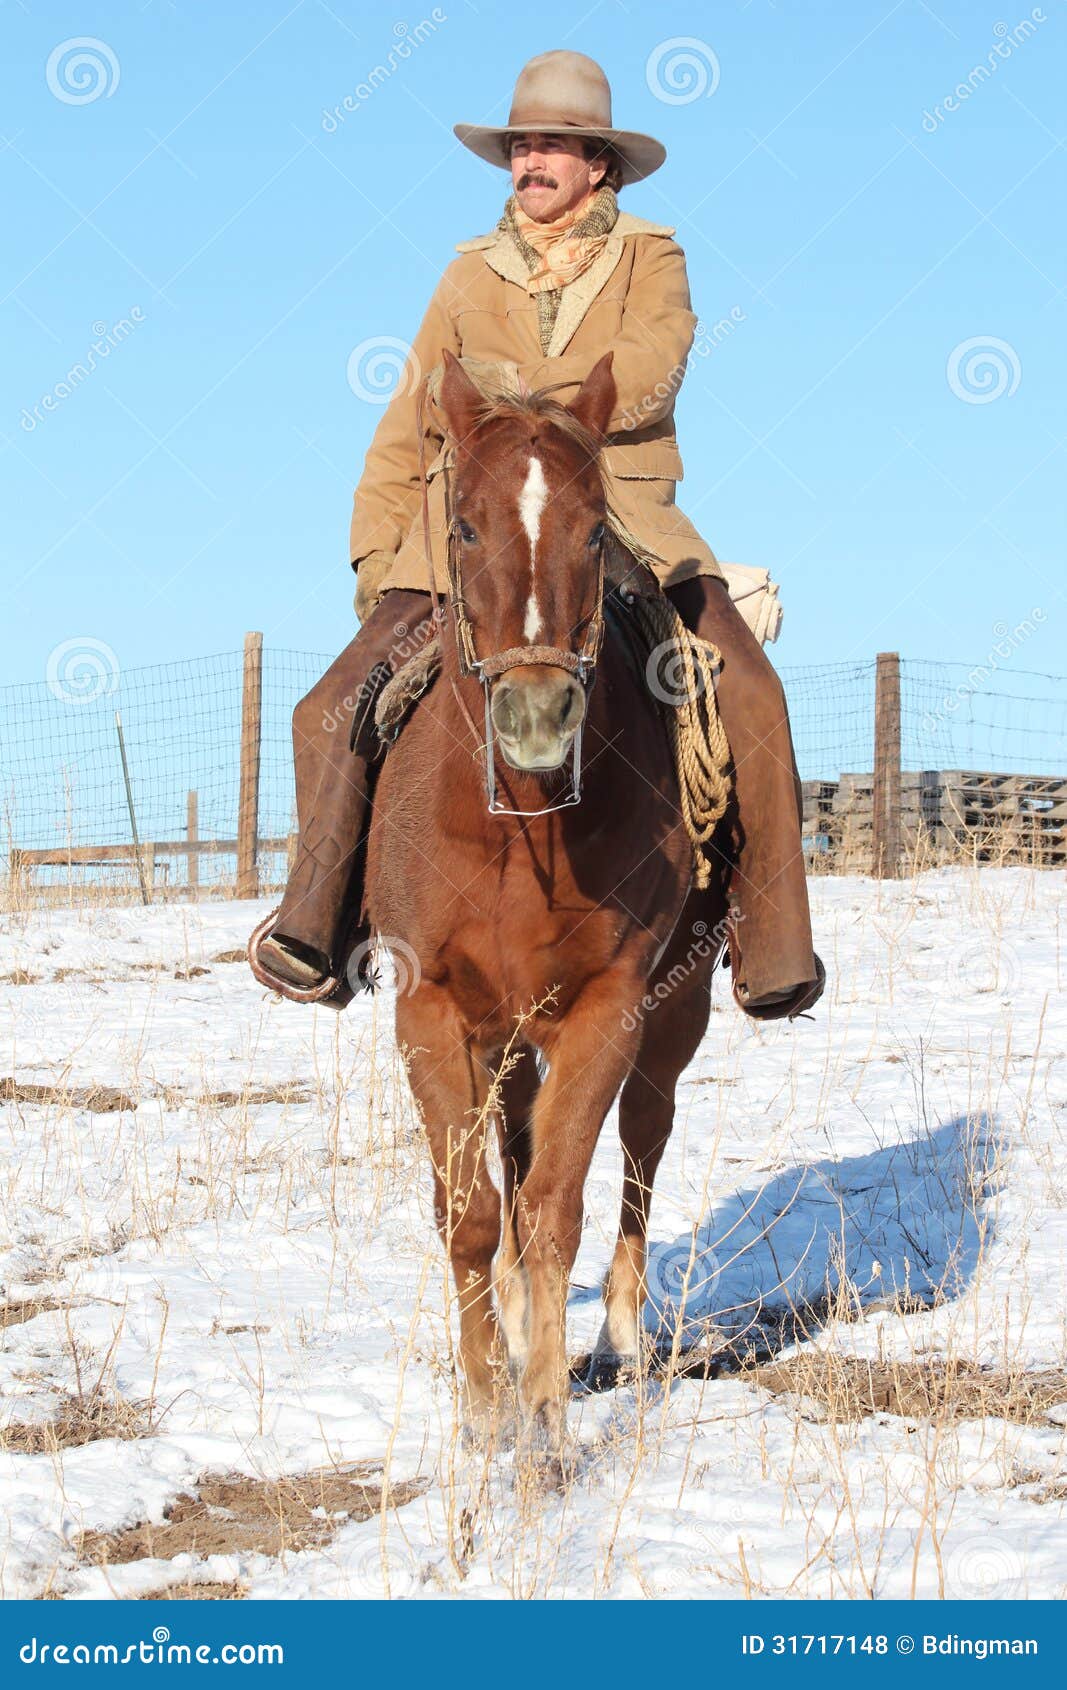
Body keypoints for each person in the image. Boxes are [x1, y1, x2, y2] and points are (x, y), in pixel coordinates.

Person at [249, 49, 823, 1020]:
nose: (530, 160)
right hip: (461, 534)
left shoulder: (651, 255)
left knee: (753, 695)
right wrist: (377, 558)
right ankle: (323, 919)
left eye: (551, 144)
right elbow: (406, 422)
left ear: (598, 163)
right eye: (519, 143)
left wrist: (521, 414)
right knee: (326, 704)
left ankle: (771, 940)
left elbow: (651, 364)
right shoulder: (465, 273)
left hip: (618, 516)